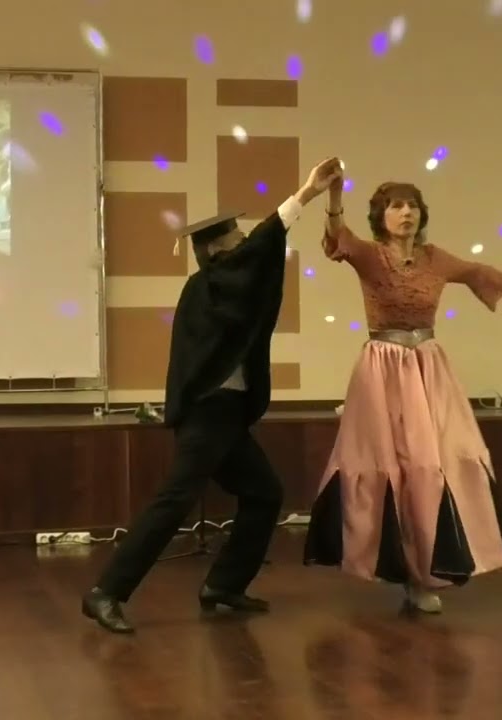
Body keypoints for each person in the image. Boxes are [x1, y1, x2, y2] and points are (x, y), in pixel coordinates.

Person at [82, 157, 344, 634]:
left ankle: (223, 584)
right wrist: (304, 194)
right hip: (206, 414)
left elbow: (256, 274)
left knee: (264, 492)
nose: (245, 246)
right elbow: (257, 256)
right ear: (217, 252)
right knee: (174, 500)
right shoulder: (206, 288)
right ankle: (106, 592)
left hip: (227, 414)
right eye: (236, 242)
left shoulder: (227, 287)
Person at [302, 178, 502, 614]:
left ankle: (424, 573)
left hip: (427, 369)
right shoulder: (370, 255)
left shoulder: (434, 258)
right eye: (396, 206)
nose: (406, 213)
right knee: (393, 468)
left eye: (413, 206)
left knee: (431, 466)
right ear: (381, 216)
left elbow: (479, 273)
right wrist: (333, 196)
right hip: (383, 371)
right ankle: (401, 569)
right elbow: (337, 239)